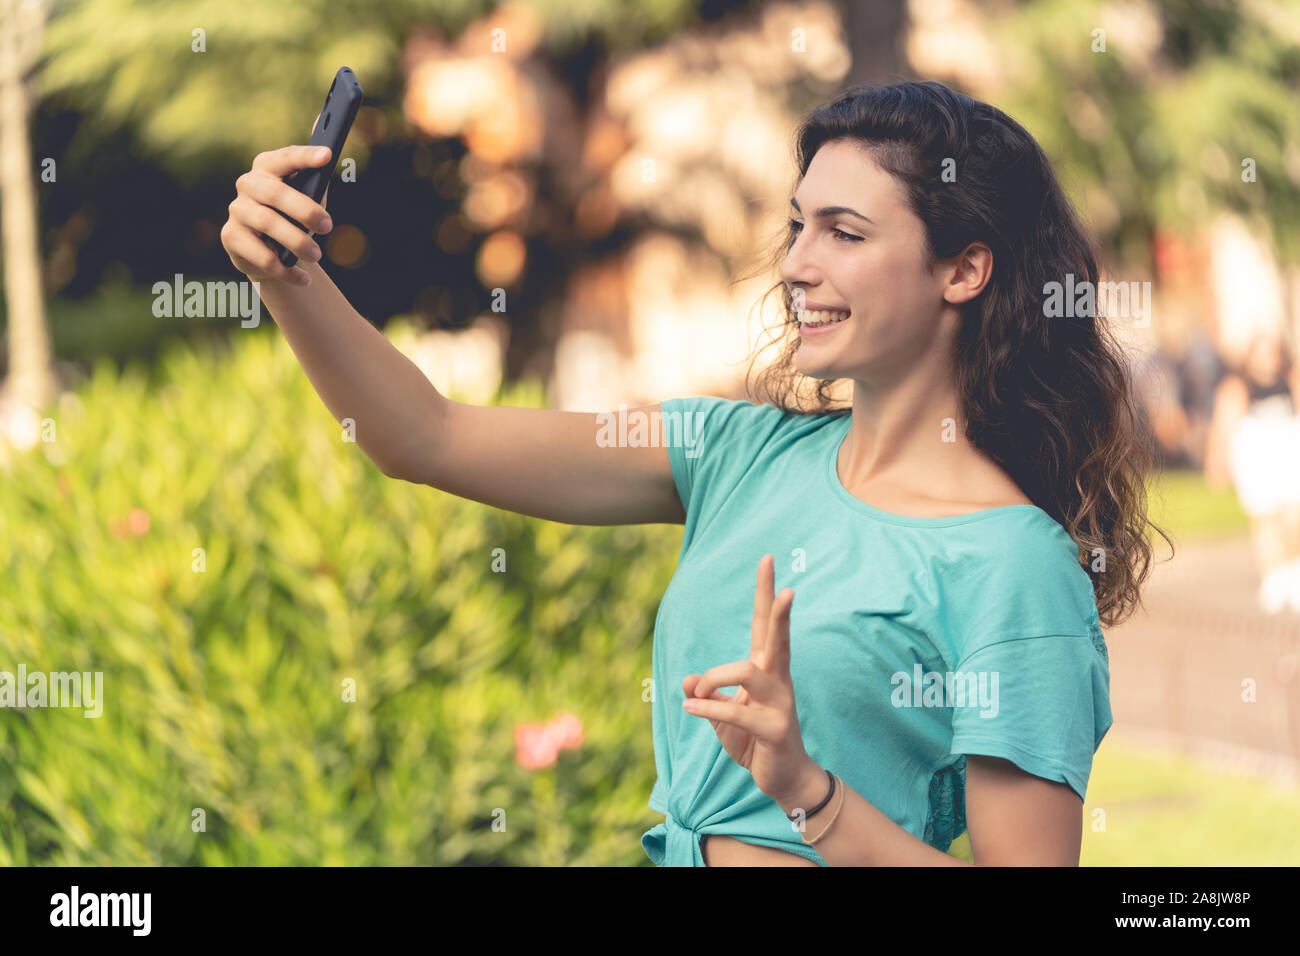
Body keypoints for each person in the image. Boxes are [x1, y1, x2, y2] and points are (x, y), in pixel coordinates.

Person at [220, 79, 1169, 866]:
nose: (795, 263)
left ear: (963, 271)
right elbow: (424, 436)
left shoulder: (1015, 565)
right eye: (798, 226)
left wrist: (811, 794)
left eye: (844, 231)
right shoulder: (732, 454)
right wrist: (287, 274)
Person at [1205, 327, 1300, 614]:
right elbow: (1222, 428)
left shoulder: (1290, 380)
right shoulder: (1238, 387)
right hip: (1258, 461)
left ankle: (1292, 571)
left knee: (1293, 516)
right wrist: (1217, 463)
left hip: (1287, 458)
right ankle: (1272, 576)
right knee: (1265, 518)